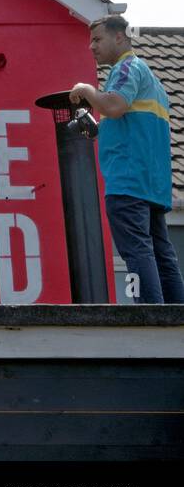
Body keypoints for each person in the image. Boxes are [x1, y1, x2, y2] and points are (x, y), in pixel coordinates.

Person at [69, 15, 182, 303]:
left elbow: (115, 105)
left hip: (127, 182)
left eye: (97, 39)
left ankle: (150, 321)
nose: (91, 47)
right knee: (161, 254)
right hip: (152, 184)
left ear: (120, 37)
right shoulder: (154, 83)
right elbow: (127, 121)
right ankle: (175, 321)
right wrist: (99, 127)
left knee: (136, 252)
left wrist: (87, 90)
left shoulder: (126, 68)